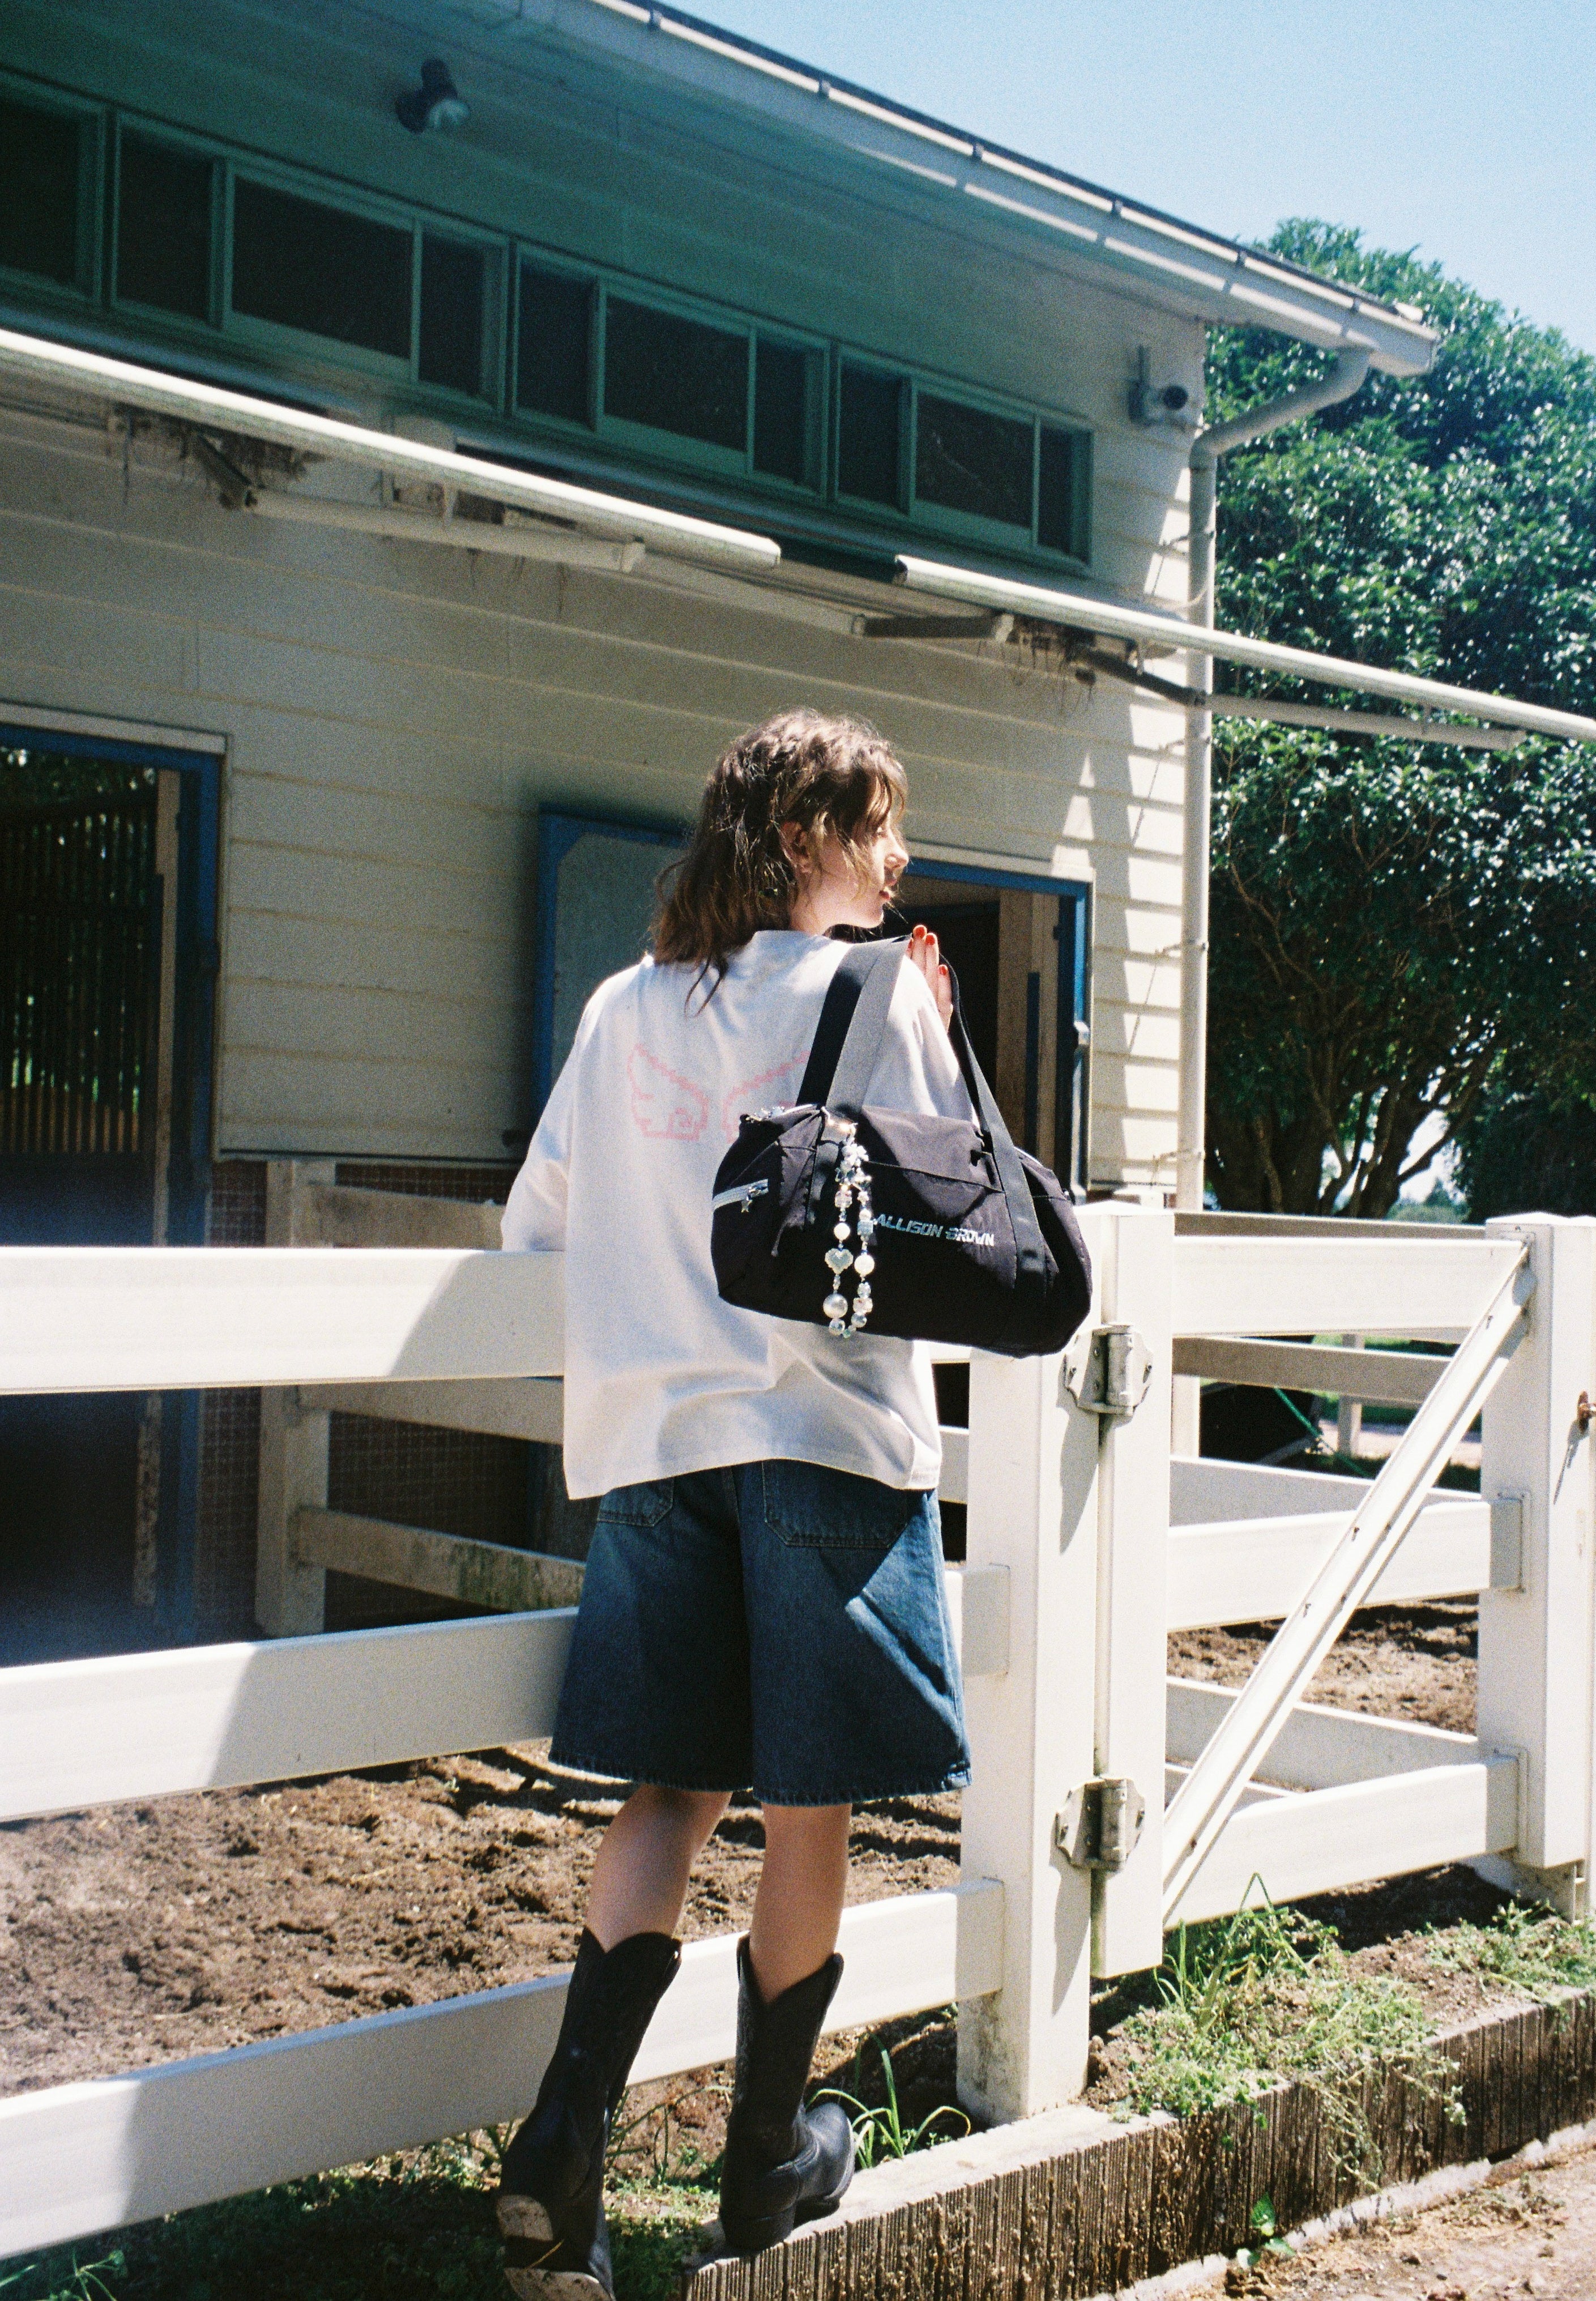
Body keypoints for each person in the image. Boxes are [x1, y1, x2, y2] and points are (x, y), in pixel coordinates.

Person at [495, 709, 974, 2300]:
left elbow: (536, 1225)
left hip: (652, 1450)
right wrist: (933, 1030)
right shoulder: (874, 992)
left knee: (668, 1791)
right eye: (873, 826)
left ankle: (561, 2147)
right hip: (823, 1438)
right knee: (809, 1804)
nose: (896, 856)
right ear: (798, 839)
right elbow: (961, 1212)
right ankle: (764, 2159)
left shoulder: (622, 1005)